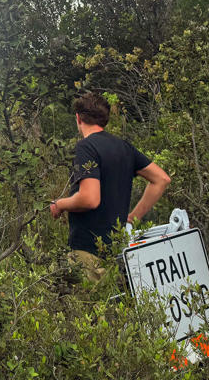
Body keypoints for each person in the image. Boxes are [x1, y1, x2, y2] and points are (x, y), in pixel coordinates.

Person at [50, 92, 170, 281]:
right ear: (104, 119)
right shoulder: (124, 147)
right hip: (116, 250)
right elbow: (161, 179)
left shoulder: (86, 147)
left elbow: (90, 199)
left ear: (78, 118)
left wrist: (60, 204)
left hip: (88, 250)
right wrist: (132, 218)